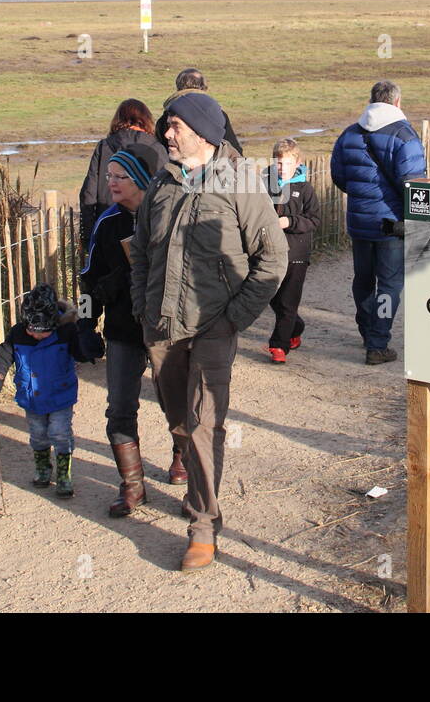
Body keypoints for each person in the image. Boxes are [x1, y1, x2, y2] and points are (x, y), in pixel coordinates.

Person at [131, 92, 287, 571]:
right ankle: (198, 483)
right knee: (179, 418)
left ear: (202, 132)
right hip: (162, 328)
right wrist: (142, 307)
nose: (166, 134)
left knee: (203, 425)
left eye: (174, 126)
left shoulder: (239, 183)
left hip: (213, 328)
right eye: (166, 126)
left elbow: (273, 259)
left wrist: (233, 318)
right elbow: (139, 250)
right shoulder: (162, 183)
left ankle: (203, 526)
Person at [77, 142, 176, 517]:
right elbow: (89, 281)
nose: (111, 183)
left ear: (140, 178)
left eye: (120, 177)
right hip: (122, 330)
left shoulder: (169, 216)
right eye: (108, 176)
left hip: (166, 329)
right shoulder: (107, 223)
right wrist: (87, 323)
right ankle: (132, 486)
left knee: (176, 403)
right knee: (119, 408)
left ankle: (181, 458)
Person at [330, 80, 427, 364]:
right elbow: (413, 184)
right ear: (397, 102)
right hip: (391, 223)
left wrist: (362, 196)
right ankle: (378, 342)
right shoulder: (404, 136)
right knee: (389, 284)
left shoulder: (349, 134)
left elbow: (339, 176)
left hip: (359, 220)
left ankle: (367, 329)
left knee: (363, 280)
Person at [0, 284, 97, 498]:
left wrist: (89, 346)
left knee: (59, 433)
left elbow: (80, 352)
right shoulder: (18, 335)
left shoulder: (67, 333)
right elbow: (3, 356)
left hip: (60, 395)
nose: (36, 336)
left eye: (42, 332)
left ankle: (64, 474)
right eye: (31, 331)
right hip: (31, 396)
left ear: (54, 324)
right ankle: (43, 468)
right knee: (37, 435)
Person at [78, 99, 167, 249]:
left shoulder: (104, 146)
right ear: (145, 119)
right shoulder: (156, 148)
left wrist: (89, 235)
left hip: (108, 227)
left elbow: (88, 193)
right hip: (148, 228)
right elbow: (165, 191)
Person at [263, 138, 321, 364]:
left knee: (288, 301)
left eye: (287, 163)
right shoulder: (265, 183)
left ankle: (279, 346)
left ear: (298, 162)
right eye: (278, 163)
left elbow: (314, 219)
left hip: (296, 255)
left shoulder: (304, 189)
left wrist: (290, 221)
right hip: (269, 252)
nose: (282, 168)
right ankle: (296, 326)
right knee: (270, 296)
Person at [154, 69, 243, 155]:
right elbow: (234, 149)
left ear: (178, 87)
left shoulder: (166, 117)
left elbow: (160, 152)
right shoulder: (216, 114)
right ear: (204, 88)